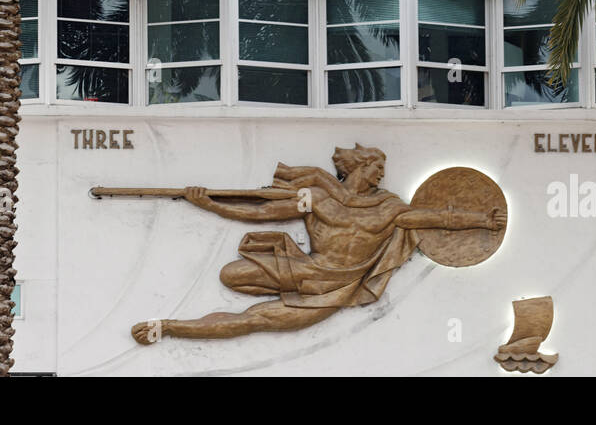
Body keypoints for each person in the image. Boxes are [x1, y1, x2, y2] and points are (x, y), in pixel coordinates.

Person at [132, 144, 505, 342]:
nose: (382, 175)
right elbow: (260, 214)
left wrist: (483, 221)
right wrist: (209, 203)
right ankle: (171, 325)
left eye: (383, 171)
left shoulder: (389, 209)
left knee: (255, 321)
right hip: (308, 269)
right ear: (358, 167)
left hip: (335, 291)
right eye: (377, 168)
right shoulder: (317, 198)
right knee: (232, 275)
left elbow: (437, 218)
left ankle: (167, 327)